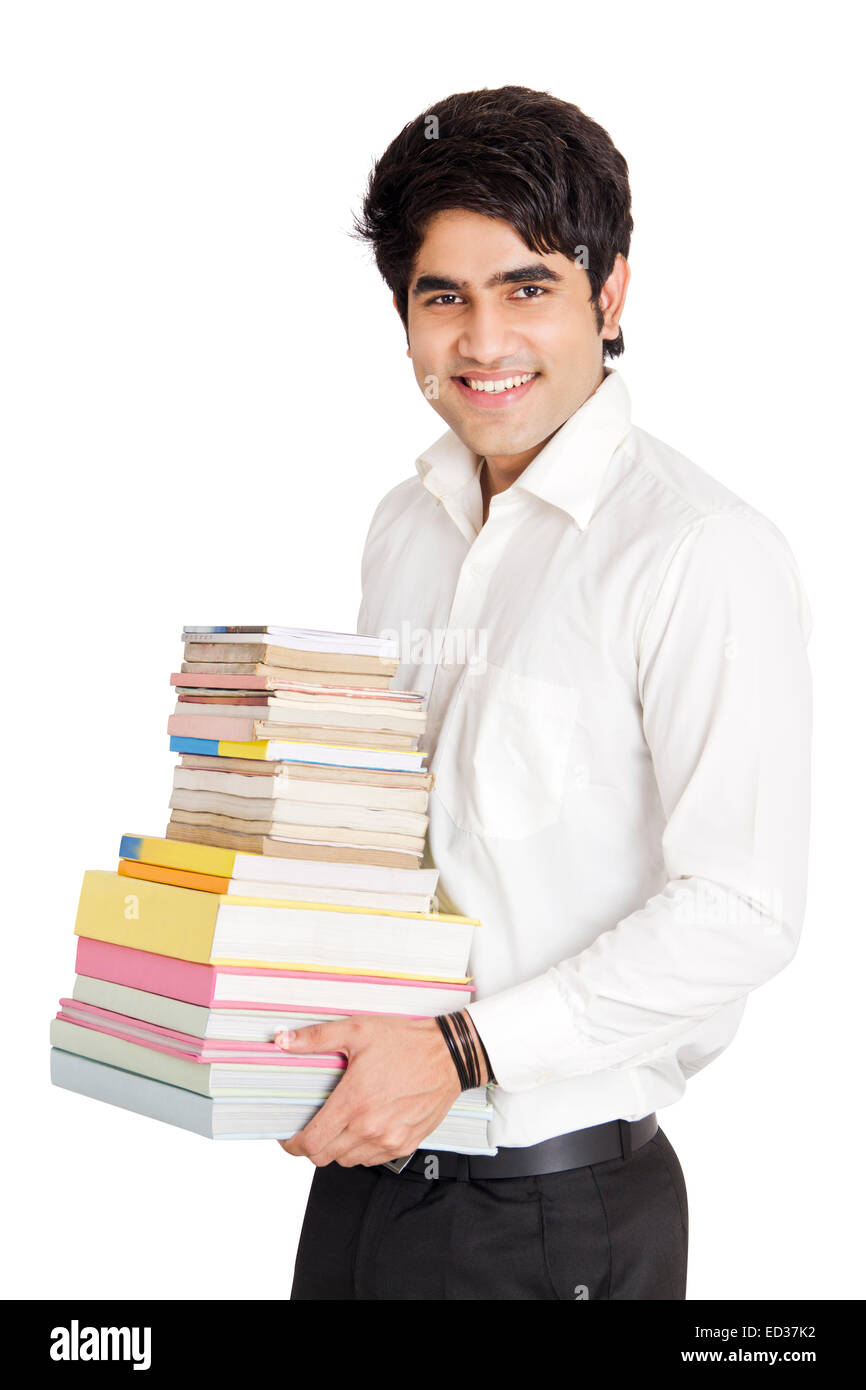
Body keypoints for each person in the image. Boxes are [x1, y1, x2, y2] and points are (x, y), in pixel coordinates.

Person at [275, 85, 812, 1301]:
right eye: (441, 296)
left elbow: (740, 909)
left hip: (545, 1210)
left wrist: (461, 1053)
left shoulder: (698, 550)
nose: (482, 341)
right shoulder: (403, 526)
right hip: (365, 1172)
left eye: (526, 288)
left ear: (607, 294)